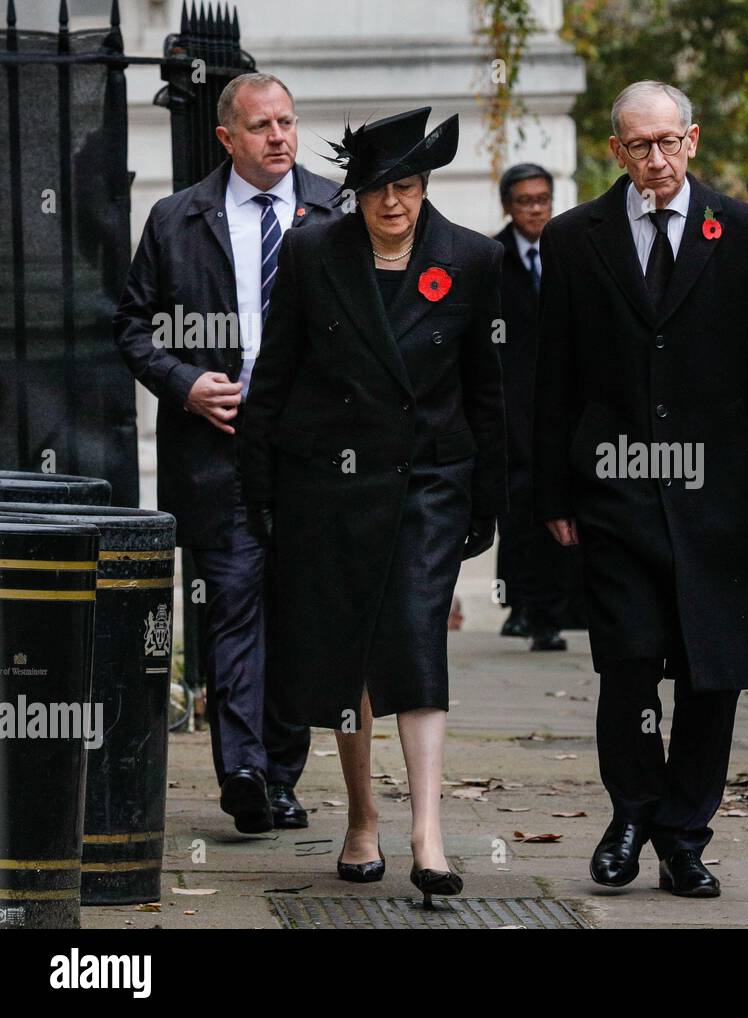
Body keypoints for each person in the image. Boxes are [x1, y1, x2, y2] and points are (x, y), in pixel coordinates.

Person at [533, 81, 748, 898]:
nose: (656, 159)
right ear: (615, 150)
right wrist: (553, 492)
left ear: (693, 139)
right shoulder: (573, 239)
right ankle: (633, 810)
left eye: (669, 142)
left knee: (713, 673)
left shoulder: (744, 235)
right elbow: (551, 375)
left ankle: (682, 836)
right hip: (617, 490)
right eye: (640, 145)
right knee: (627, 663)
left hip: (723, 495)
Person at [238, 108, 507, 903]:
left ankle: (428, 833)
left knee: (418, 639)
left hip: (426, 479)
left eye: (410, 186)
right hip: (331, 482)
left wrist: (487, 495)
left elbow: (487, 390)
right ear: (357, 194)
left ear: (426, 187)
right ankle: (362, 817)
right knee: (348, 654)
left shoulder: (471, 257)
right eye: (380, 189)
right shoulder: (315, 250)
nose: (395, 203)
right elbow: (276, 373)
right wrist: (260, 489)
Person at [113, 72, 335, 834]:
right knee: (233, 605)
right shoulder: (178, 219)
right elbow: (134, 326)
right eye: (262, 126)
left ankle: (281, 771)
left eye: (287, 122)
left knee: (301, 613)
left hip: (310, 455)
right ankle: (243, 770)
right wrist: (184, 383)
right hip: (219, 451)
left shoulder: (336, 209)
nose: (279, 137)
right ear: (226, 138)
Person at [493, 162, 581, 652]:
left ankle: (548, 612)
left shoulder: (568, 248)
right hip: (510, 405)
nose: (536, 209)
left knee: (558, 506)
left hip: (561, 401)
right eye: (525, 201)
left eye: (543, 199)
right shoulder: (492, 256)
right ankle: (525, 604)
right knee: (518, 509)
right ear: (509, 205)